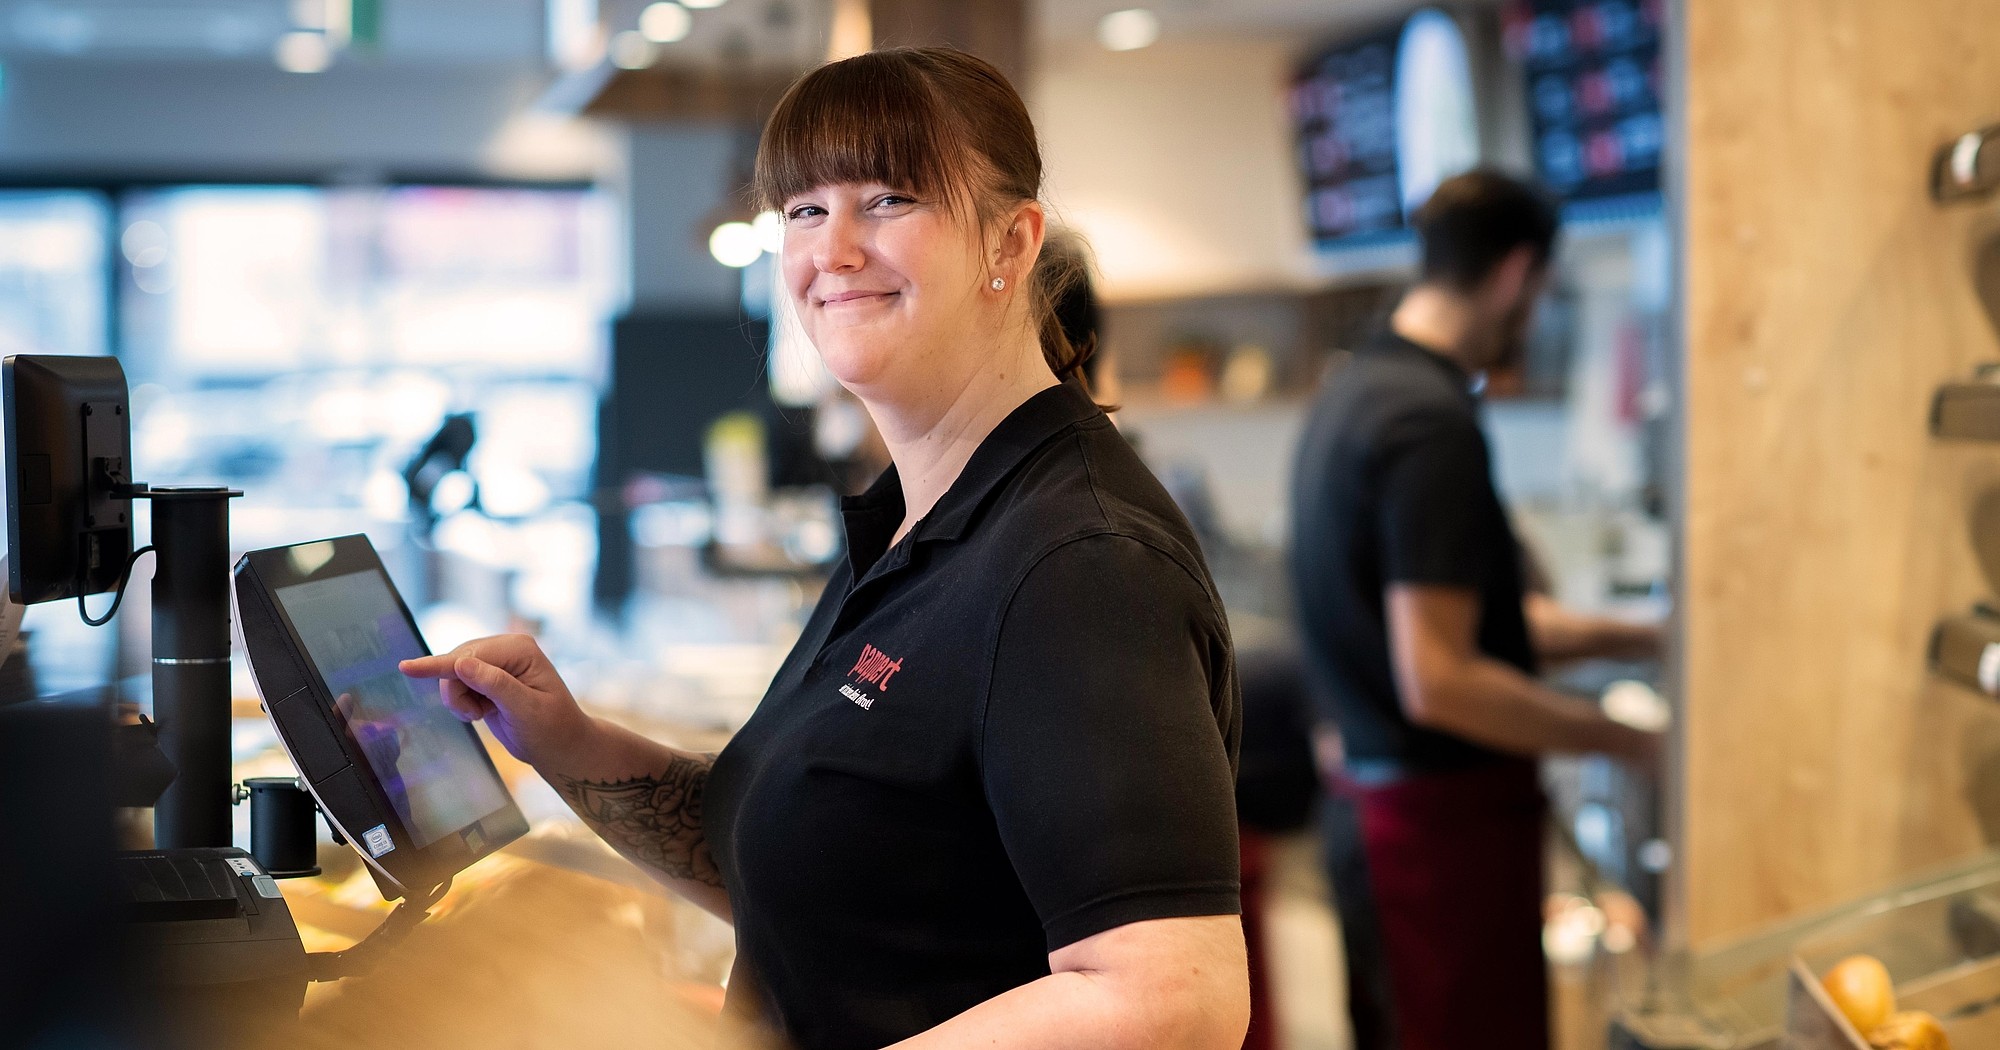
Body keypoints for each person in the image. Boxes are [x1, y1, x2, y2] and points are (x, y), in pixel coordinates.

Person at [402, 47, 1249, 1050]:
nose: (832, 251)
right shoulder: (918, 515)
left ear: (1010, 244)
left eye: (888, 199)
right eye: (803, 211)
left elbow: (1169, 998)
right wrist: (564, 742)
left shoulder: (1078, 564)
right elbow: (821, 876)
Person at [1287, 169, 1662, 1050]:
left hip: (1375, 822)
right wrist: (1629, 740)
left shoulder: (1356, 391)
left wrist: (1649, 635)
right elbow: (1443, 680)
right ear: (1516, 275)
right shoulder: (1429, 423)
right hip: (1435, 845)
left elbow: (1469, 624)